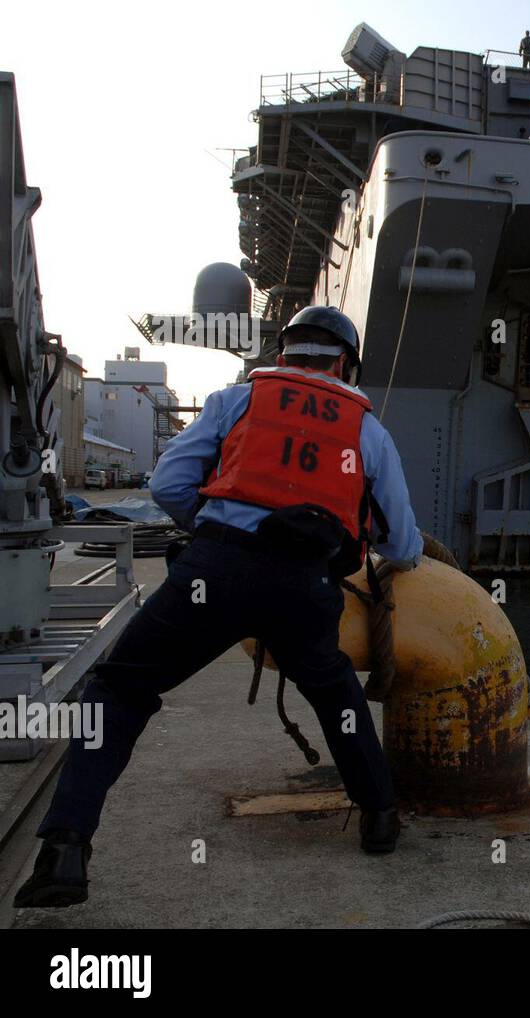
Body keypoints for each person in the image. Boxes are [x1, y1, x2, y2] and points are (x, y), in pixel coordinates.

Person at [13, 306, 424, 909]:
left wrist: (212, 532)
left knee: (120, 689)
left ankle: (65, 849)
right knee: (337, 697)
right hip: (303, 585)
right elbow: (403, 545)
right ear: (346, 366)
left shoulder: (236, 401)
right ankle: (381, 819)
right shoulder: (367, 429)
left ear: (283, 355)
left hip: (215, 571)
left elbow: (168, 486)